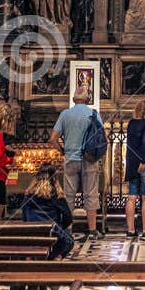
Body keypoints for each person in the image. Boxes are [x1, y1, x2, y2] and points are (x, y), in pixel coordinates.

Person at [50, 94, 104, 237]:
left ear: (74, 99)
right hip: (90, 159)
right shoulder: (94, 114)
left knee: (69, 195)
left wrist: (63, 151)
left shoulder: (65, 114)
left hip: (70, 159)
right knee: (91, 194)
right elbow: (101, 137)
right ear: (87, 100)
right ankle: (92, 230)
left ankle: (68, 229)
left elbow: (53, 139)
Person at [20, 166, 75, 260]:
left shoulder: (28, 196)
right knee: (70, 241)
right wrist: (60, 227)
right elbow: (68, 218)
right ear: (54, 179)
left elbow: (24, 217)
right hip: (53, 236)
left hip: (32, 237)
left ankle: (33, 257)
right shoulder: (56, 195)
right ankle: (56, 256)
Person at [124, 99, 145, 239]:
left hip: (131, 161)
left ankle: (130, 230)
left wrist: (133, 161)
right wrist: (143, 160)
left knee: (131, 197)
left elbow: (130, 144)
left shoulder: (131, 123)